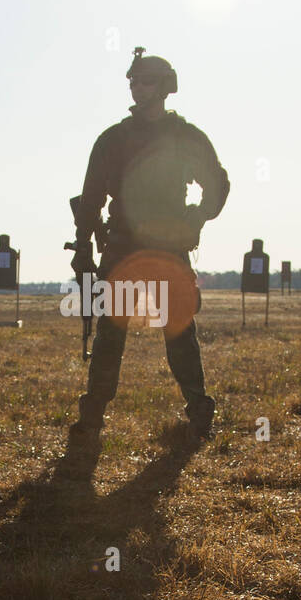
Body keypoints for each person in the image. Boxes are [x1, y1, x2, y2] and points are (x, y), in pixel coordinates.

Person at [69, 47, 229, 444]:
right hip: (122, 249)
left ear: (165, 87)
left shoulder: (185, 137)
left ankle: (199, 413)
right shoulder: (113, 139)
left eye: (146, 80)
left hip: (167, 249)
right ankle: (92, 418)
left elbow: (218, 184)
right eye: (133, 81)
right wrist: (83, 248)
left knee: (179, 333)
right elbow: (90, 200)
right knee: (110, 334)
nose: (137, 87)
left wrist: (195, 218)